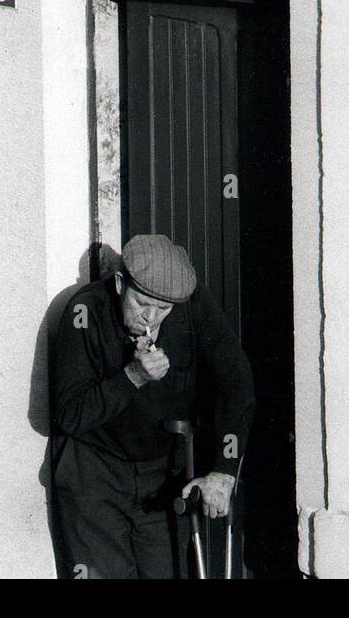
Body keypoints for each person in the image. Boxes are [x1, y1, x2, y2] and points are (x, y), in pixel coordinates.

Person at [49, 233, 255, 579]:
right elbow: (69, 414)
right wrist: (132, 376)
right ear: (119, 284)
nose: (151, 317)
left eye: (163, 309)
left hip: (161, 473)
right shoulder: (84, 311)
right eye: (142, 303)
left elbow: (238, 385)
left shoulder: (191, 305)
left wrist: (223, 470)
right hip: (94, 473)